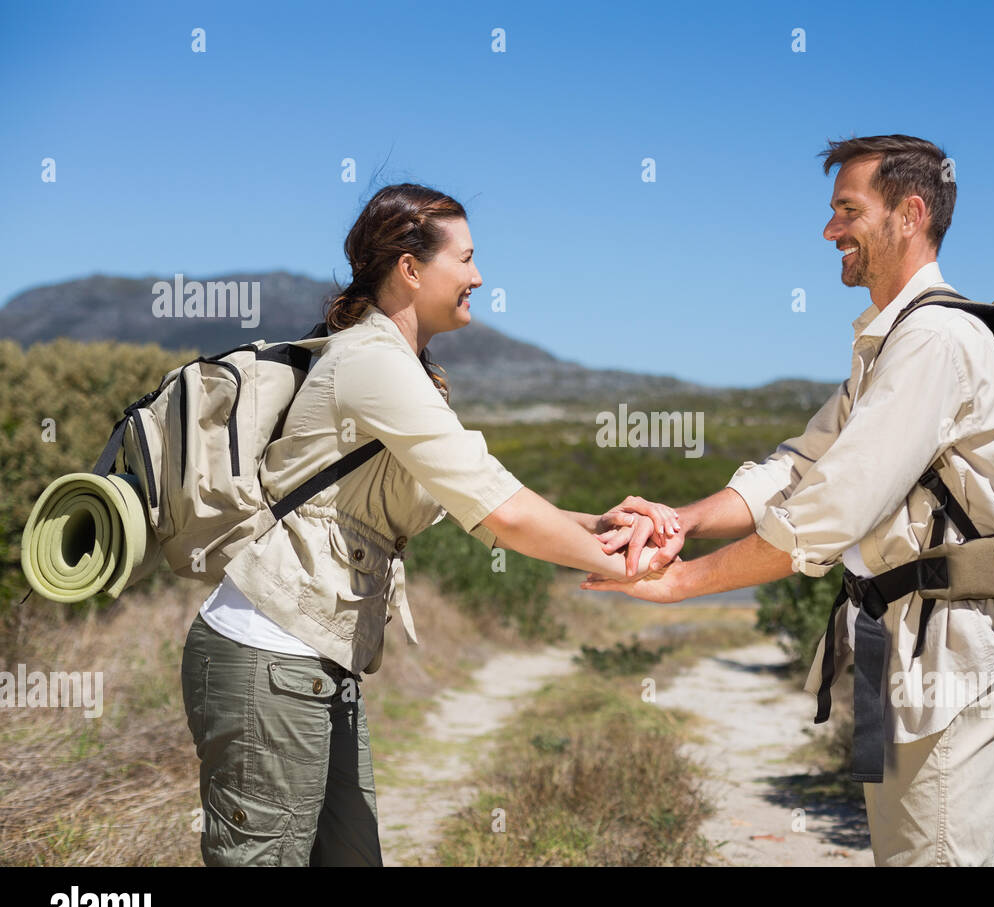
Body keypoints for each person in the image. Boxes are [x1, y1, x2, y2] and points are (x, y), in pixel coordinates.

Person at [180, 183, 670, 867]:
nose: (478, 276)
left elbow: (483, 491)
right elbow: (499, 512)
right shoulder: (373, 363)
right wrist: (635, 568)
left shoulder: (399, 366)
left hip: (315, 658)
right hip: (269, 652)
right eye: (465, 259)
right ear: (410, 269)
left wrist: (596, 524)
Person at [585, 134, 994, 866]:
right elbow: (795, 468)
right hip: (889, 650)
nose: (830, 231)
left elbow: (829, 512)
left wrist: (684, 583)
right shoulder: (890, 345)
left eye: (846, 210)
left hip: (949, 663)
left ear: (909, 213)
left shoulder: (936, 343)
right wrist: (682, 522)